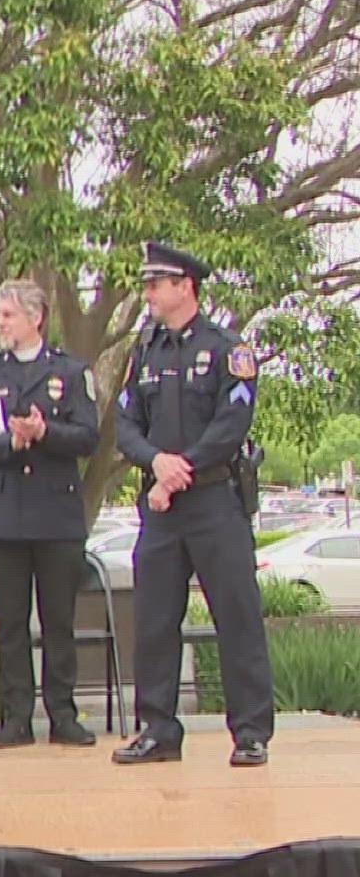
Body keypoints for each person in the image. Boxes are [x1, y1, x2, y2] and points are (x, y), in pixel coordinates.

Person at [112, 242, 272, 767]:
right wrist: (157, 462)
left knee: (237, 616)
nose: (148, 294)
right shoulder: (147, 351)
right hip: (162, 506)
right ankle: (158, 729)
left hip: (213, 502)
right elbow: (126, 423)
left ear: (186, 286)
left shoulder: (229, 349)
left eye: (156, 284)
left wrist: (179, 471)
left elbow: (232, 424)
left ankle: (250, 732)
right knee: (155, 620)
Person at [0, 280, 101, 749]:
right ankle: (15, 716)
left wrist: (44, 432)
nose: (0, 324)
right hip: (4, 514)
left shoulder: (70, 371)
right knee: (10, 621)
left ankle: (63, 713)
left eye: (8, 316)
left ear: (35, 318)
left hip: (56, 513)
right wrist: (9, 443)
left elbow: (87, 437)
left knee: (58, 619)